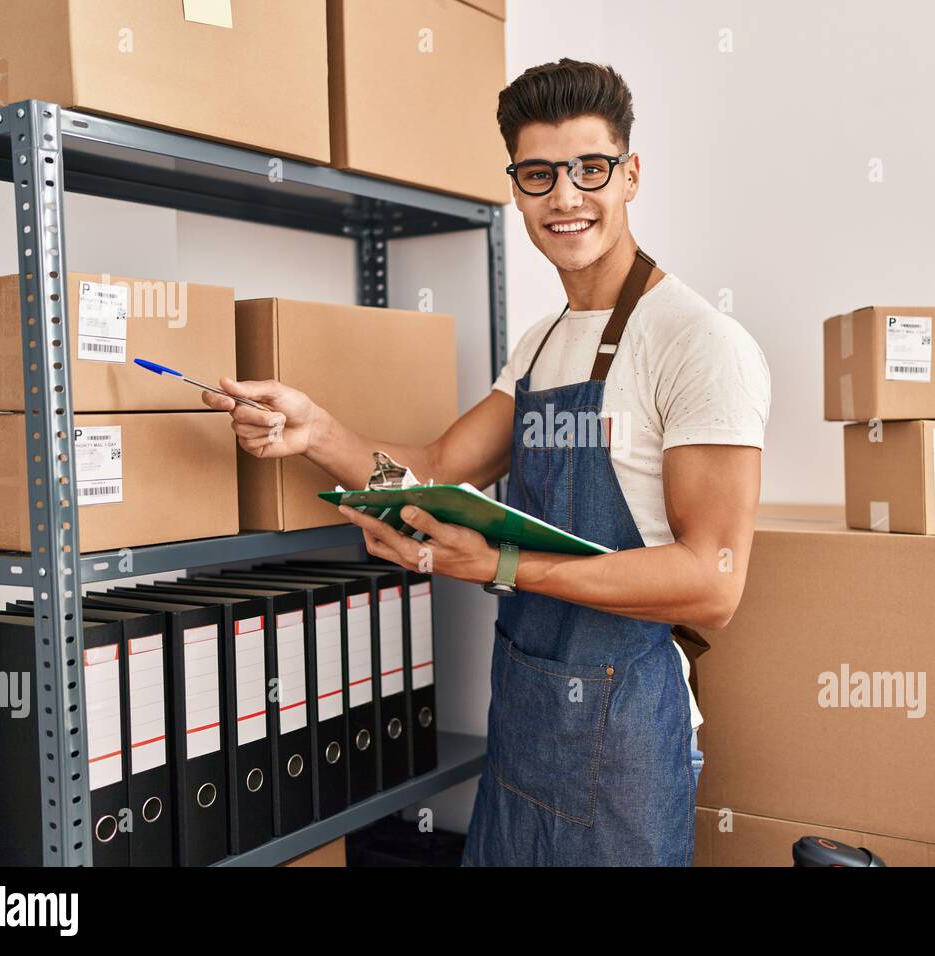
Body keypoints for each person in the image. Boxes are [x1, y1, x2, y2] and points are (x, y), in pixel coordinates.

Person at [204, 58, 770, 866]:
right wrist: (315, 430)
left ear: (630, 174)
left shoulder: (698, 344)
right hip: (527, 720)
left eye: (590, 169)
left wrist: (501, 562)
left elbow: (711, 585)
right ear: (516, 188)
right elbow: (439, 465)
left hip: (626, 741)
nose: (567, 198)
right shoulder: (539, 345)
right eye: (540, 175)